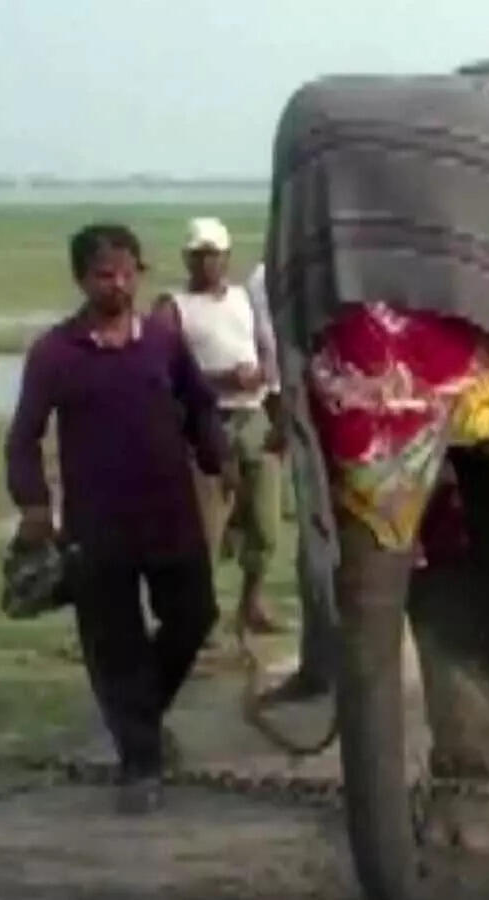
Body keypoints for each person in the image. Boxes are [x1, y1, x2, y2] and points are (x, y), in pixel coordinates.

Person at [6, 224, 225, 813]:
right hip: (97, 527)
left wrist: (216, 456)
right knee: (116, 644)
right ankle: (141, 767)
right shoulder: (55, 353)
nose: (120, 284)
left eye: (129, 272)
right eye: (106, 274)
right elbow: (23, 438)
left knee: (195, 616)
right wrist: (33, 506)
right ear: (81, 279)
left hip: (171, 514)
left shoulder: (161, 341)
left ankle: (139, 719)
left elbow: (200, 403)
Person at [152, 218, 285, 635]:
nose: (207, 262)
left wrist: (267, 384)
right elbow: (161, 377)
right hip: (204, 423)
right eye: (199, 255)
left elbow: (267, 349)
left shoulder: (244, 299)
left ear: (227, 256)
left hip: (253, 415)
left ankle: (251, 601)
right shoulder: (172, 308)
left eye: (214, 254)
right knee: (204, 529)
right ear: (187, 258)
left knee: (266, 524)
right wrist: (222, 380)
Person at [244, 262, 334, 705]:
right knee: (318, 553)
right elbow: (274, 355)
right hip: (319, 419)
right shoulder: (270, 277)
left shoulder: (272, 275)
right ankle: (323, 669)